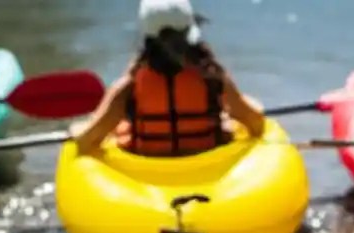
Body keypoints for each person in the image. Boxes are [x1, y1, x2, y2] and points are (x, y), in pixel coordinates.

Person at [70, 0, 265, 157]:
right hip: (208, 167)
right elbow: (256, 124)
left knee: (112, 129)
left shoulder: (129, 84)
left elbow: (86, 140)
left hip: (148, 174)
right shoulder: (211, 74)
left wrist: (76, 129)